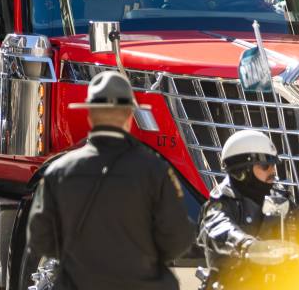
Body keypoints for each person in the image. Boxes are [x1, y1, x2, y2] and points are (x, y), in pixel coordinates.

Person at [26, 71, 195, 289]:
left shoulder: (59, 172)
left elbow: (39, 238)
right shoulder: (155, 170)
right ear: (129, 117)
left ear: (90, 116)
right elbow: (179, 238)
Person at [197, 129, 299, 289]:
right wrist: (246, 245)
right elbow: (218, 227)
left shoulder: (279, 198)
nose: (273, 171)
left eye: (273, 165)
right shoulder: (222, 203)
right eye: (265, 165)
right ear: (242, 170)